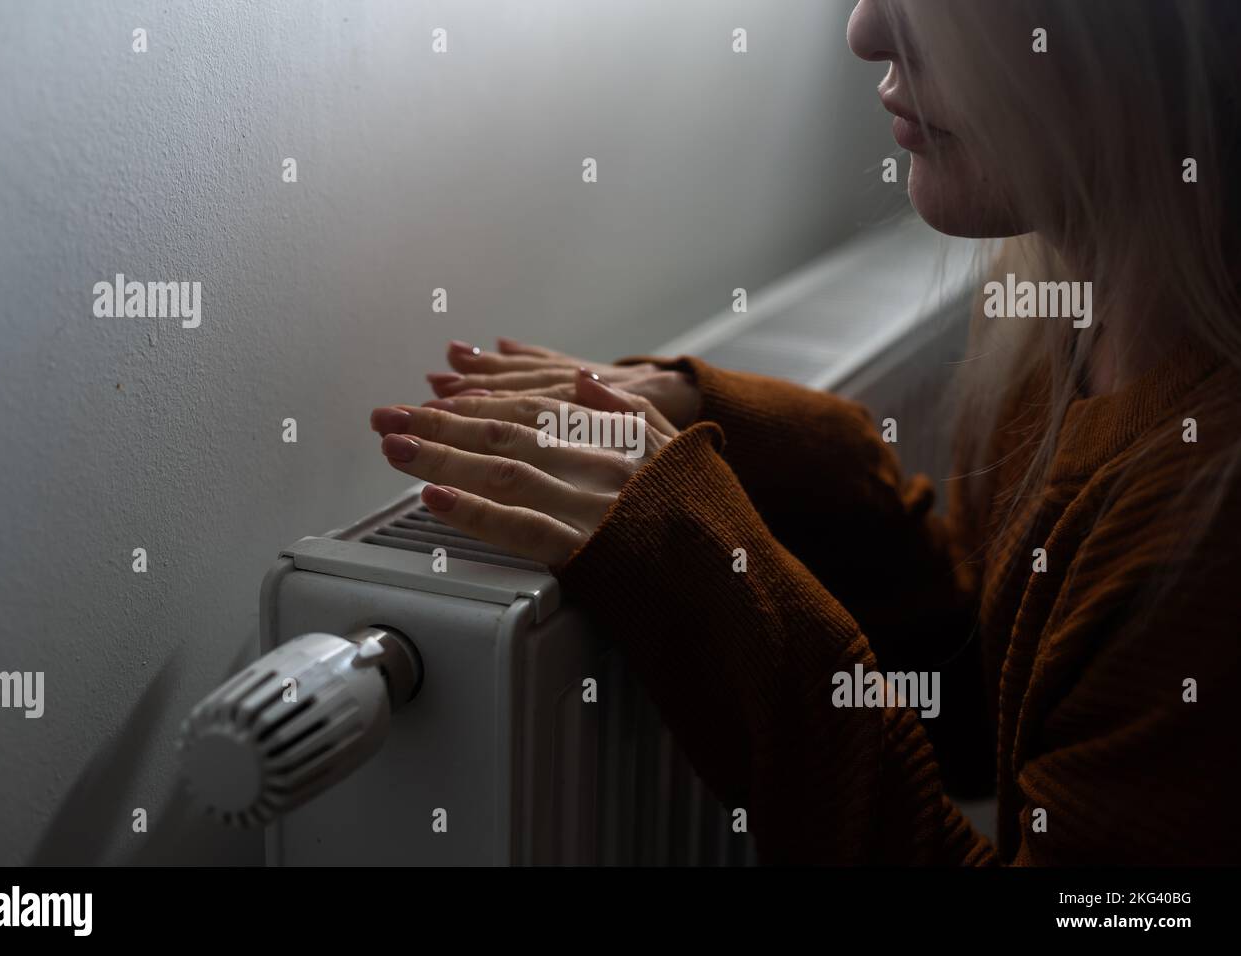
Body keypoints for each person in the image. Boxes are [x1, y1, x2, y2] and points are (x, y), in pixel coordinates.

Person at [370, 0, 1241, 864]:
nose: (866, 30)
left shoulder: (1209, 527)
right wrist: (782, 451)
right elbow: (985, 709)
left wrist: (716, 586)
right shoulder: (1055, 313)